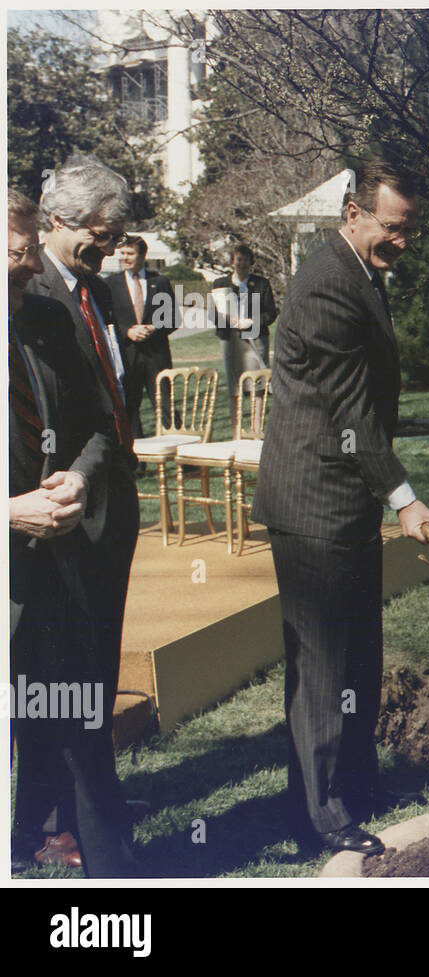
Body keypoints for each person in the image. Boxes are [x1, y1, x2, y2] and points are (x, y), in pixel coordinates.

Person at [252, 161, 429, 856]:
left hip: (343, 501)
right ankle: (320, 820)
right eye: (392, 228)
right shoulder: (329, 286)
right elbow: (352, 412)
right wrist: (405, 499)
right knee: (325, 668)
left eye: (409, 229)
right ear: (353, 214)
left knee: (357, 660)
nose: (402, 242)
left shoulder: (359, 272)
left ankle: (353, 792)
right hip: (314, 505)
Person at [9, 188, 139, 876]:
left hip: (51, 555)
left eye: (28, 252)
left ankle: (100, 854)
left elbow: (92, 419)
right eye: (16, 252)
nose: (27, 268)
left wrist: (80, 477)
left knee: (76, 707)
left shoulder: (39, 323)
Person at [25, 155, 139, 701]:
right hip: (65, 505)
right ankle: (75, 790)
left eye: (118, 237)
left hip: (113, 493)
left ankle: (102, 790)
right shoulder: (31, 294)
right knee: (65, 668)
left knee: (101, 655)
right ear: (57, 221)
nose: (110, 248)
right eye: (100, 235)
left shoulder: (99, 290)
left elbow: (109, 390)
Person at [104, 235, 176, 436]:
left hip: (156, 356)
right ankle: (136, 465)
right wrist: (128, 331)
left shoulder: (159, 281)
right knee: (130, 411)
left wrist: (153, 328)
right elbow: (105, 322)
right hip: (127, 356)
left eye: (130, 253)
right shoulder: (109, 284)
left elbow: (172, 319)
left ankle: (184, 462)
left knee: (166, 408)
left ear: (143, 255)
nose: (125, 258)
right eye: (123, 253)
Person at [210, 244, 277, 427]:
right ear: (232, 261)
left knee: (257, 383)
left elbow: (271, 313)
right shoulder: (220, 285)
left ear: (251, 263)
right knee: (234, 385)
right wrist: (229, 321)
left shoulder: (261, 284)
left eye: (246, 260)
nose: (242, 263)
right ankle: (236, 430)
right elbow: (213, 314)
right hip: (230, 339)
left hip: (255, 337)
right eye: (238, 259)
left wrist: (253, 321)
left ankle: (256, 429)